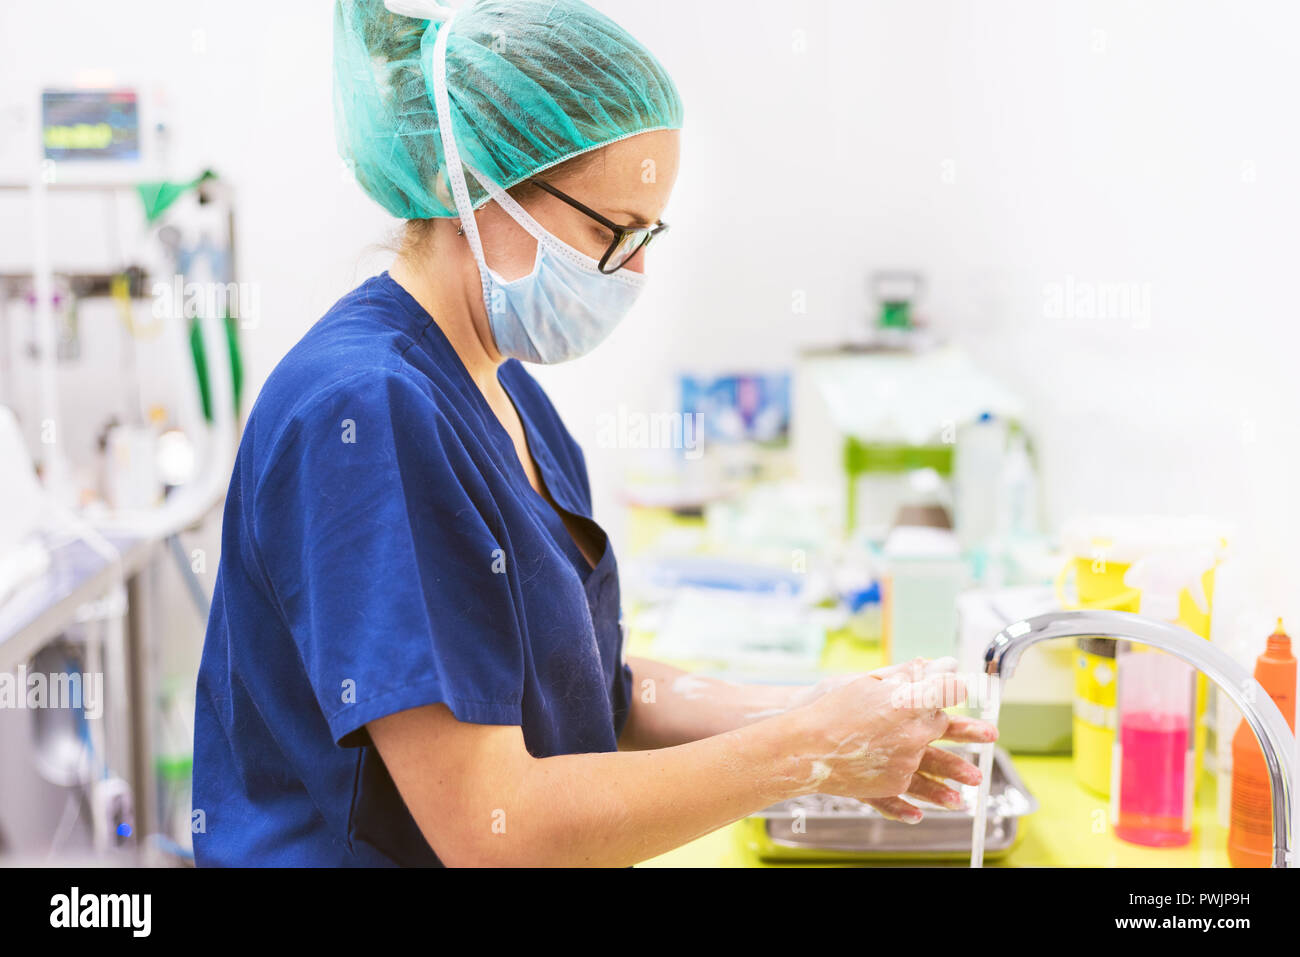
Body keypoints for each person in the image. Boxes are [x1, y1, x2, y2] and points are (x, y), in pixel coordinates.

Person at [191, 0, 996, 867]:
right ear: (478, 187)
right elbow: (495, 828)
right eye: (612, 233)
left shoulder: (502, 389)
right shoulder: (364, 411)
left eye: (650, 234)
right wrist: (809, 751)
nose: (637, 271)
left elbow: (593, 695)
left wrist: (822, 707)